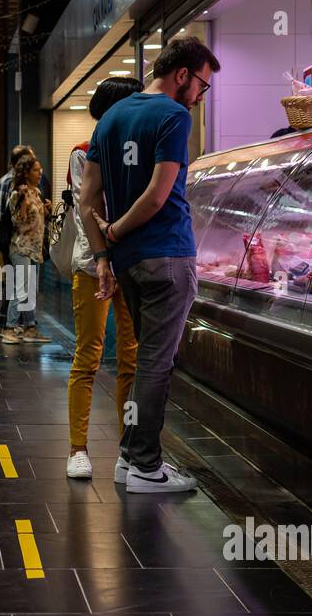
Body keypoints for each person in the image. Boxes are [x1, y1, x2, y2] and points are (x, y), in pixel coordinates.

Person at [79, 36, 220, 493]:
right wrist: (117, 231)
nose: (200, 97)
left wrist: (104, 254)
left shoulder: (111, 117)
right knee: (156, 365)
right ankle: (145, 466)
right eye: (202, 85)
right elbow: (158, 195)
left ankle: (129, 456)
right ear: (182, 74)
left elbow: (86, 201)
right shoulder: (174, 116)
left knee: (146, 362)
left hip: (129, 265)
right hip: (168, 255)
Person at [64, 76, 143, 480]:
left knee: (131, 358)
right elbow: (88, 210)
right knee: (88, 355)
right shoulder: (83, 152)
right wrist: (103, 257)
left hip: (132, 265)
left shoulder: (137, 148)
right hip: (92, 266)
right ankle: (77, 448)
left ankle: (129, 448)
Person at [1, 154, 52, 345]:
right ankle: (9, 328)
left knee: (30, 291)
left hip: (34, 248)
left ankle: (30, 328)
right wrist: (22, 201)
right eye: (36, 170)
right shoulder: (17, 194)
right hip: (21, 247)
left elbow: (38, 219)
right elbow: (18, 221)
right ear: (27, 172)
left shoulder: (36, 192)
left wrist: (46, 210)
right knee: (20, 290)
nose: (40, 173)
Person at [0, 144, 33, 338]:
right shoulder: (12, 183)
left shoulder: (5, 180)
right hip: (14, 238)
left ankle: (7, 322)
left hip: (9, 237)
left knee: (14, 281)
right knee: (16, 282)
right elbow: (10, 216)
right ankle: (8, 324)